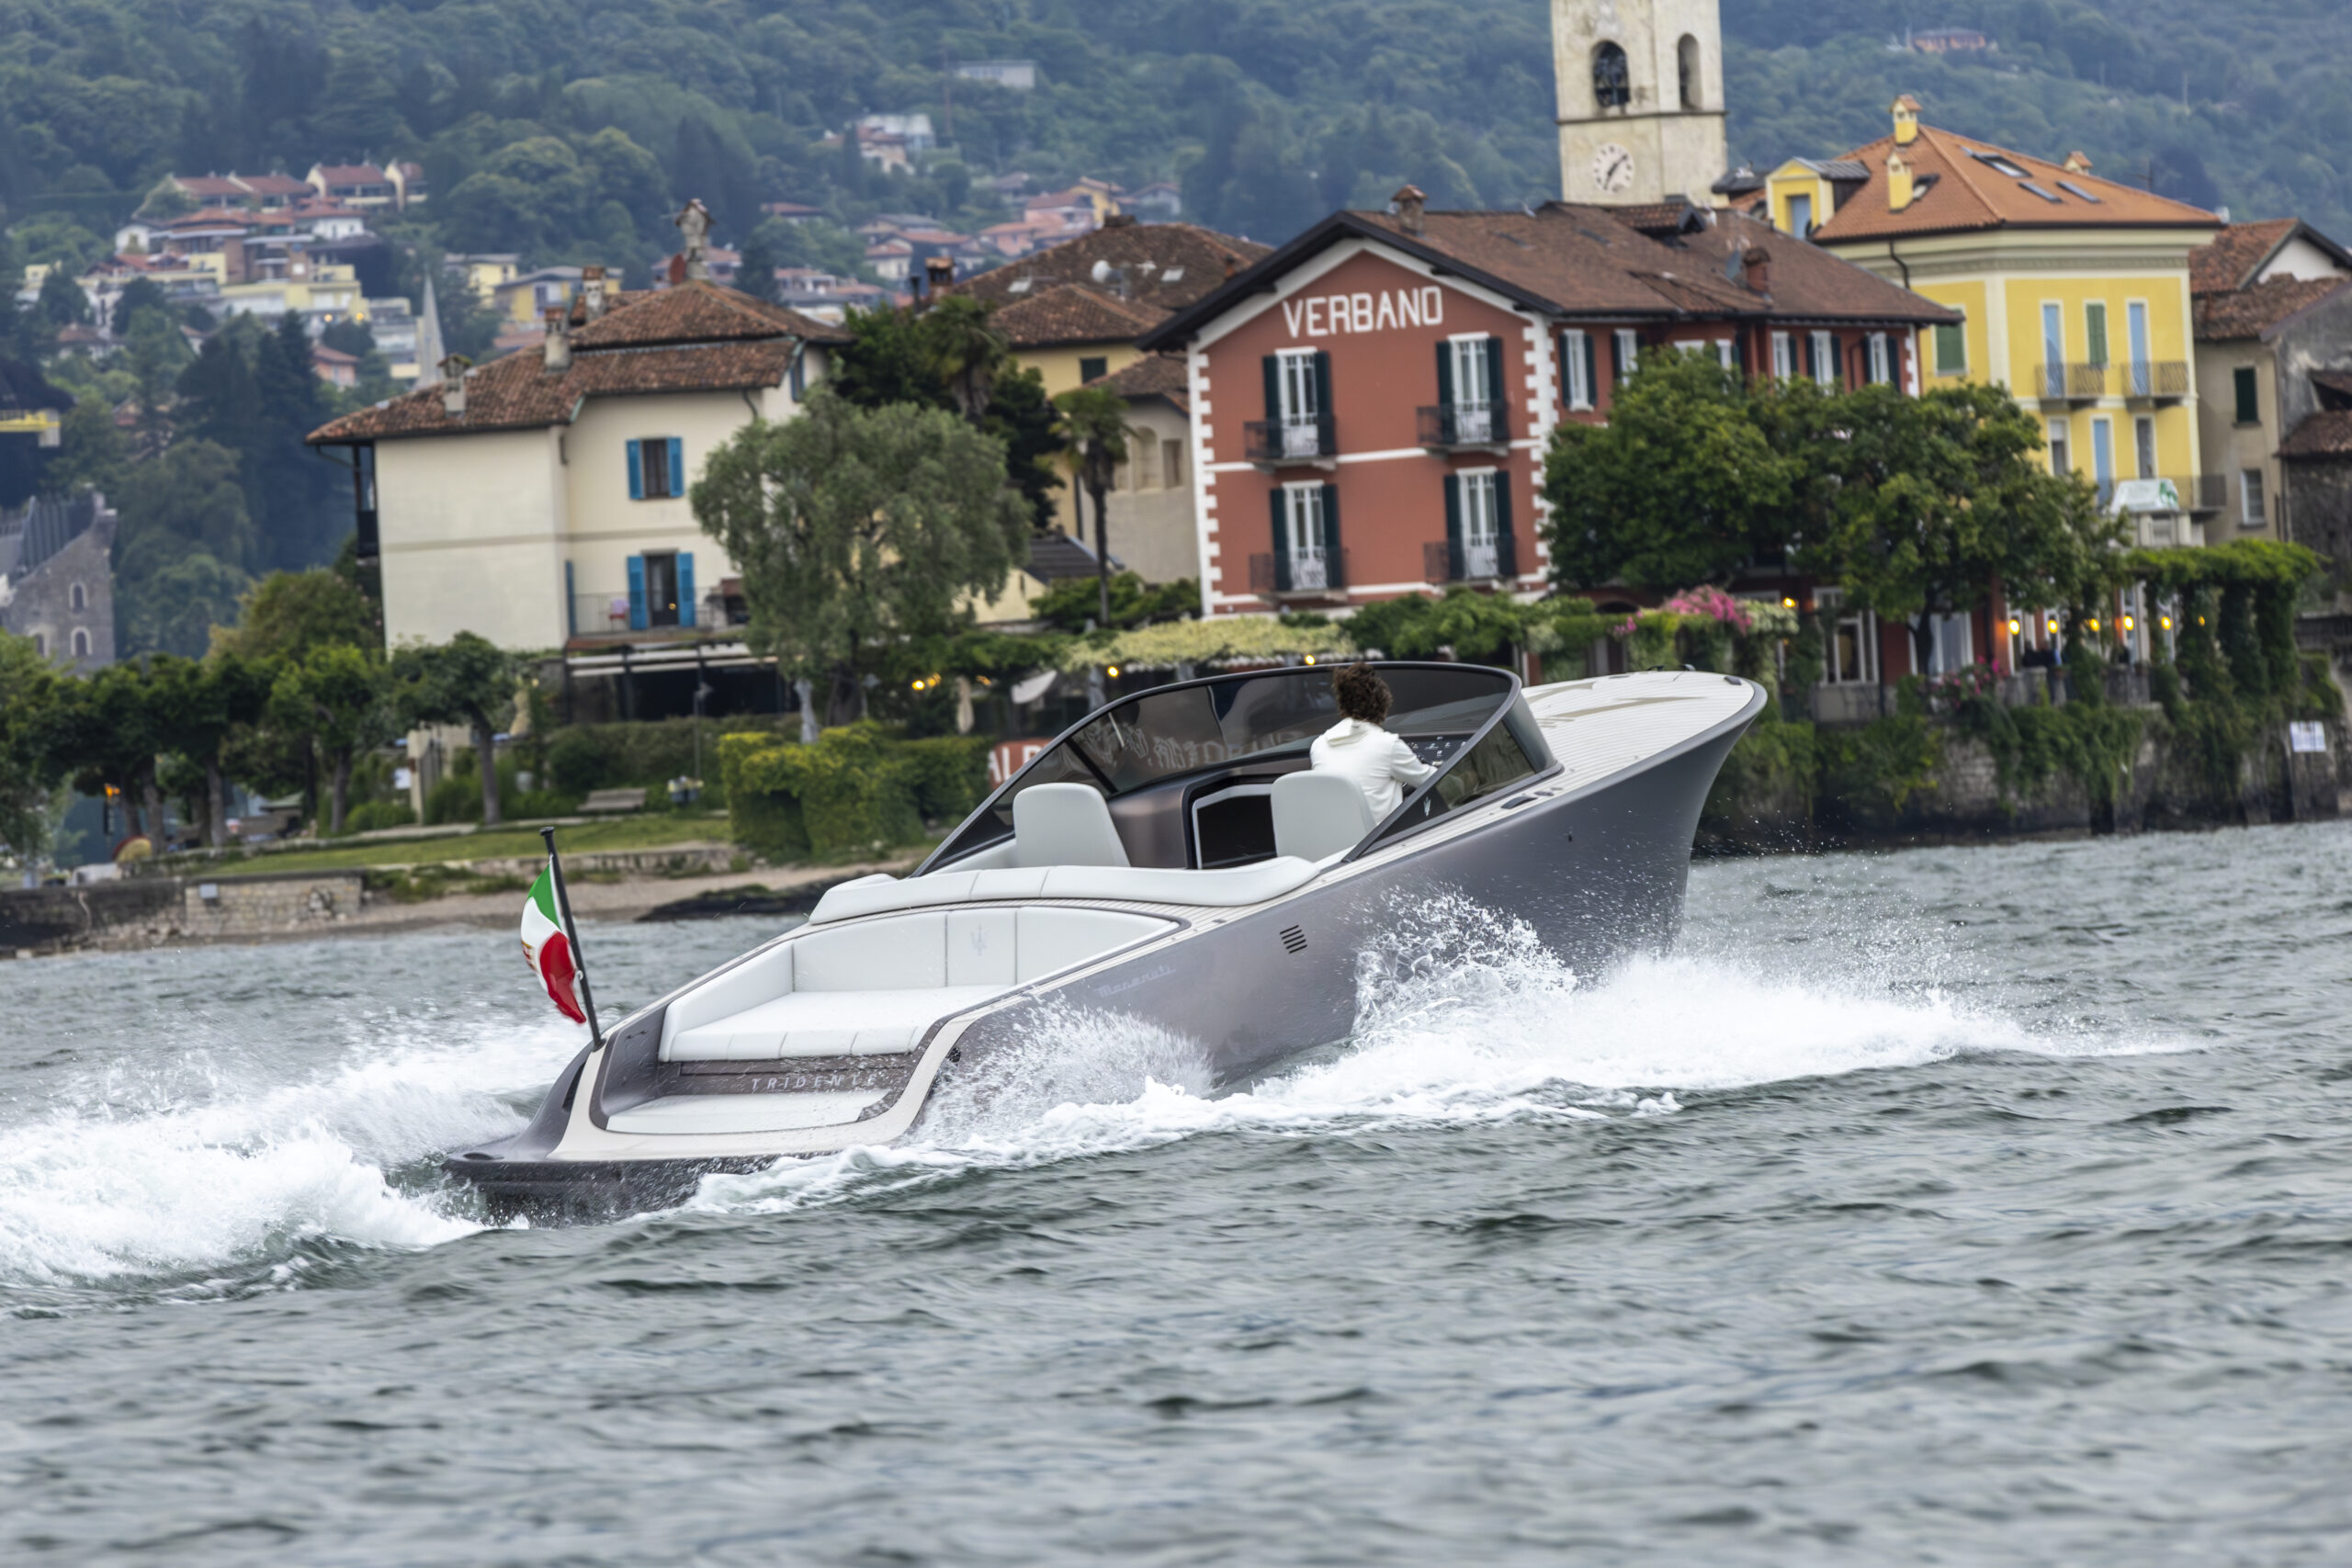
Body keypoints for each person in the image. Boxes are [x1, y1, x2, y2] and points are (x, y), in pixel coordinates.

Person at [1310, 662, 1434, 818]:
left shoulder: (1319, 745)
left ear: (1342, 703)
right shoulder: (1388, 745)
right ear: (1384, 704)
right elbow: (1432, 781)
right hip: (1379, 841)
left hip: (1336, 839)